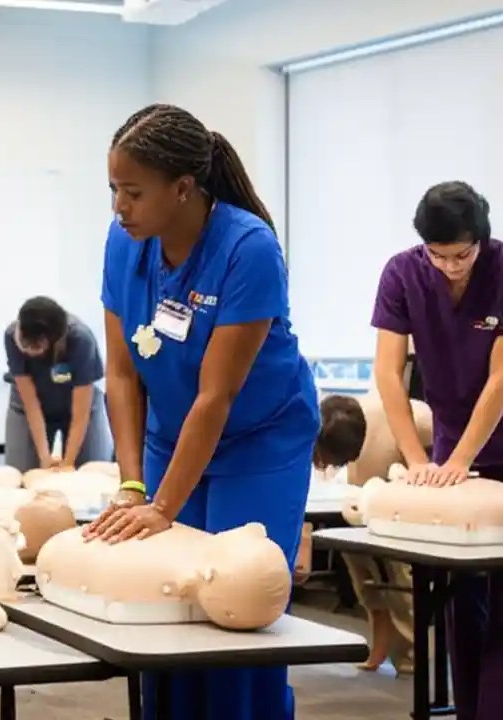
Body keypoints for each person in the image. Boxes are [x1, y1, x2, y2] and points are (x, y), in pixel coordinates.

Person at [84, 103, 319, 720]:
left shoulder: (248, 249)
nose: (118, 207)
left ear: (182, 188)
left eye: (132, 192)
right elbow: (121, 374)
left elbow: (218, 396)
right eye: (113, 189)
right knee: (167, 595)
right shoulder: (123, 242)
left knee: (236, 597)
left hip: (259, 442)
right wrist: (134, 487)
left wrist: (166, 505)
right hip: (170, 432)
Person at [370, 180, 503, 720]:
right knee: (460, 596)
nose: (450, 266)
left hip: (484, 443)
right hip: (449, 447)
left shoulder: (501, 269)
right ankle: (467, 708)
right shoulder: (402, 273)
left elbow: (500, 381)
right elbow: (388, 370)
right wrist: (418, 458)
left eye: (462, 254)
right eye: (439, 255)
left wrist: (461, 461)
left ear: (482, 241)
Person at [315, 393, 433, 674]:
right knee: (361, 567)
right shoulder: (334, 421)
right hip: (365, 491)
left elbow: (428, 480)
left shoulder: (419, 421)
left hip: (408, 490)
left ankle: (410, 655)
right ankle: (379, 646)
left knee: (399, 574)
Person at [3, 296, 113, 472]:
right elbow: (31, 404)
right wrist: (45, 458)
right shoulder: (11, 336)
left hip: (80, 407)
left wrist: (68, 462)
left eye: (36, 347)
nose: (28, 349)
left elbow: (80, 413)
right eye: (24, 343)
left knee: (91, 472)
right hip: (28, 407)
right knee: (21, 472)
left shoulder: (80, 339)